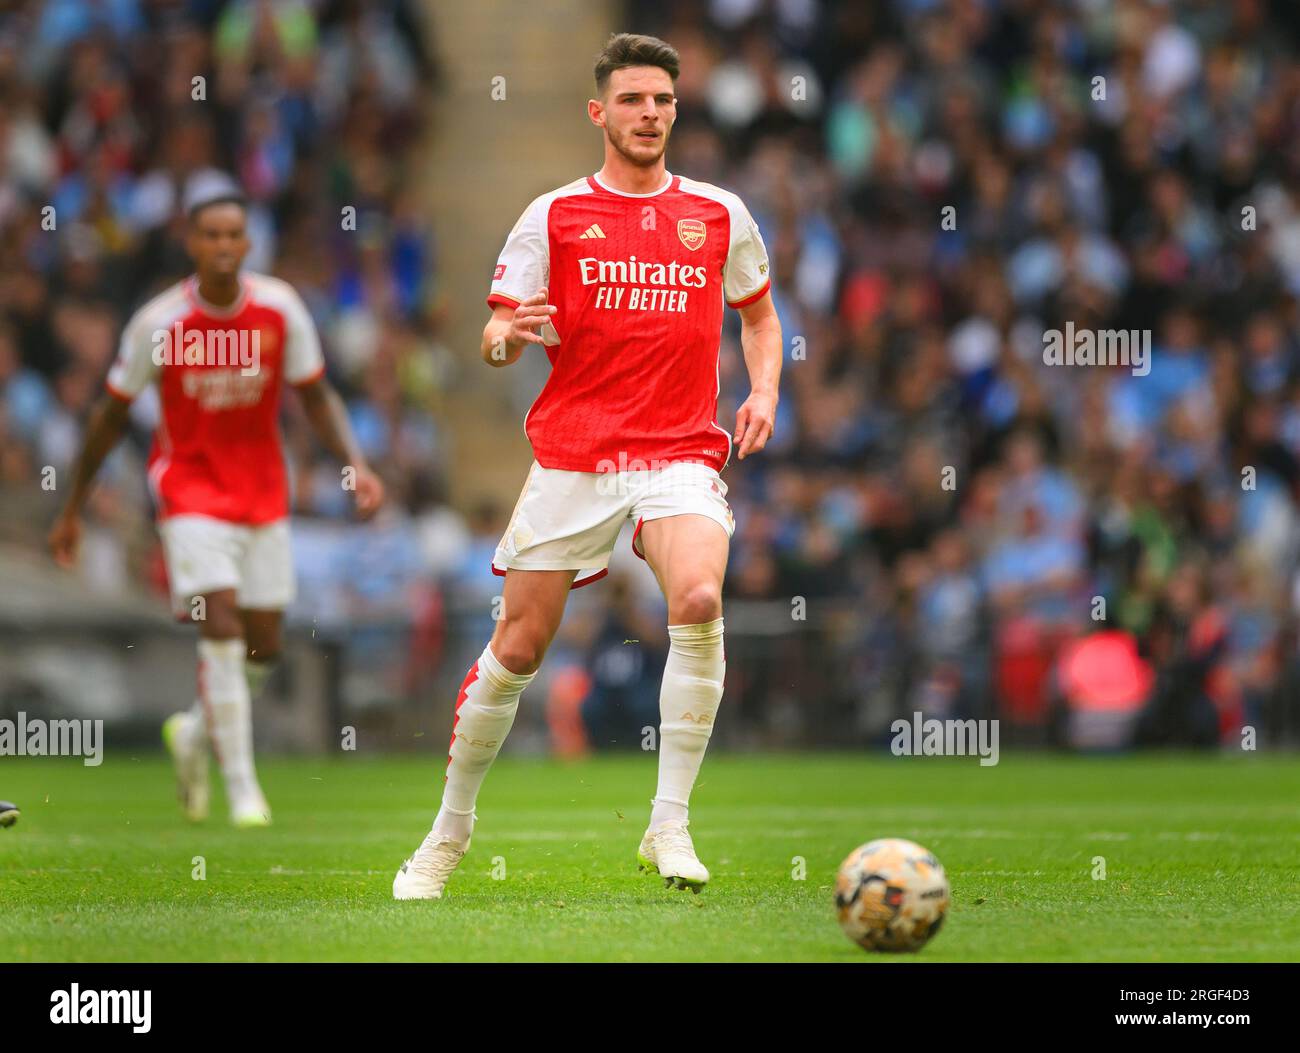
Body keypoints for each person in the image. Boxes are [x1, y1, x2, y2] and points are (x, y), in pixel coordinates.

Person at [393, 33, 782, 899]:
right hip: (575, 452)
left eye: (664, 101)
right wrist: (501, 343)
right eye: (634, 100)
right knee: (520, 646)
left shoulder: (719, 214)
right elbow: (499, 327)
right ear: (599, 111)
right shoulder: (554, 215)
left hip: (679, 448)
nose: (650, 114)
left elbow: (759, 315)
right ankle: (449, 831)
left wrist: (764, 391)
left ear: (677, 110)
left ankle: (669, 823)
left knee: (699, 597)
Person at [49, 191, 384, 827]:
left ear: (248, 243)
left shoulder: (280, 309)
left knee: (265, 644)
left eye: (234, 234)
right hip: (190, 491)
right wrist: (72, 506)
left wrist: (356, 465)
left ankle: (196, 733)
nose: (224, 245)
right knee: (222, 622)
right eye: (211, 235)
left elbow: (316, 397)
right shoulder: (160, 322)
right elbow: (110, 415)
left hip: (261, 492)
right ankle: (244, 789)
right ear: (192, 243)